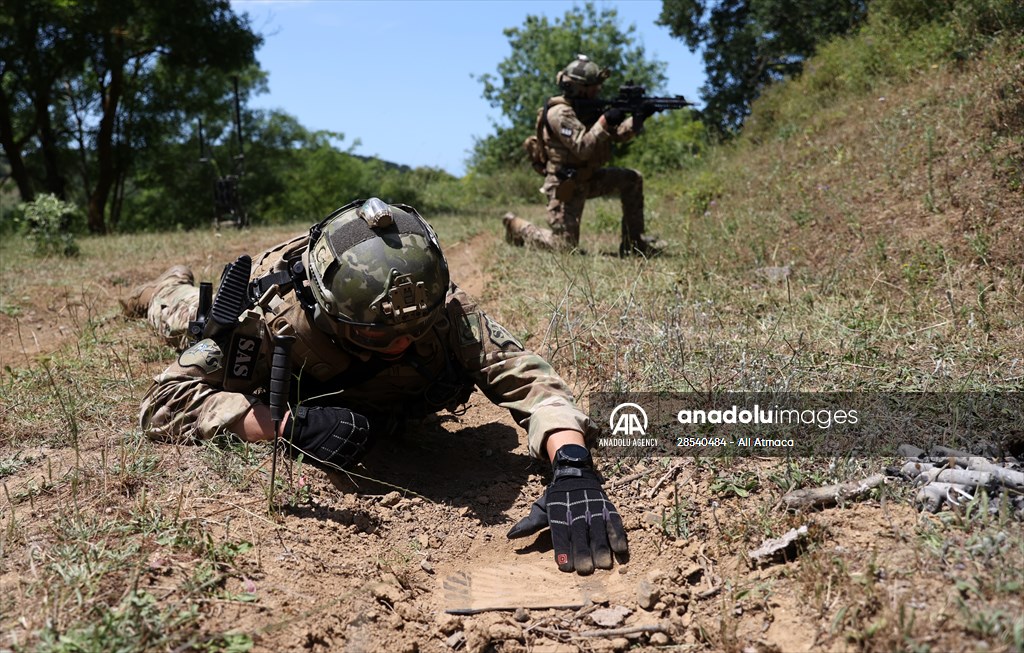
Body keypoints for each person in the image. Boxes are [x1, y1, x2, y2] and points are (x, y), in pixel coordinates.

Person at [123, 197, 628, 575]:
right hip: (241, 317)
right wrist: (283, 425)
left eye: (416, 329)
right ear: (325, 313)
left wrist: (572, 465)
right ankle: (162, 286)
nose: (402, 343)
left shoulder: (442, 310)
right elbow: (163, 402)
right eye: (377, 335)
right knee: (183, 314)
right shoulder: (268, 325)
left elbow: (526, 376)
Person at [505, 54, 664, 257]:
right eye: (593, 86)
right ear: (577, 87)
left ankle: (634, 244)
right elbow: (582, 147)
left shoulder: (590, 109)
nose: (598, 90)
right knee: (565, 247)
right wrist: (605, 121)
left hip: (589, 177)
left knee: (632, 179)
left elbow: (619, 135)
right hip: (565, 184)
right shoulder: (559, 113)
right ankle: (517, 227)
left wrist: (638, 118)